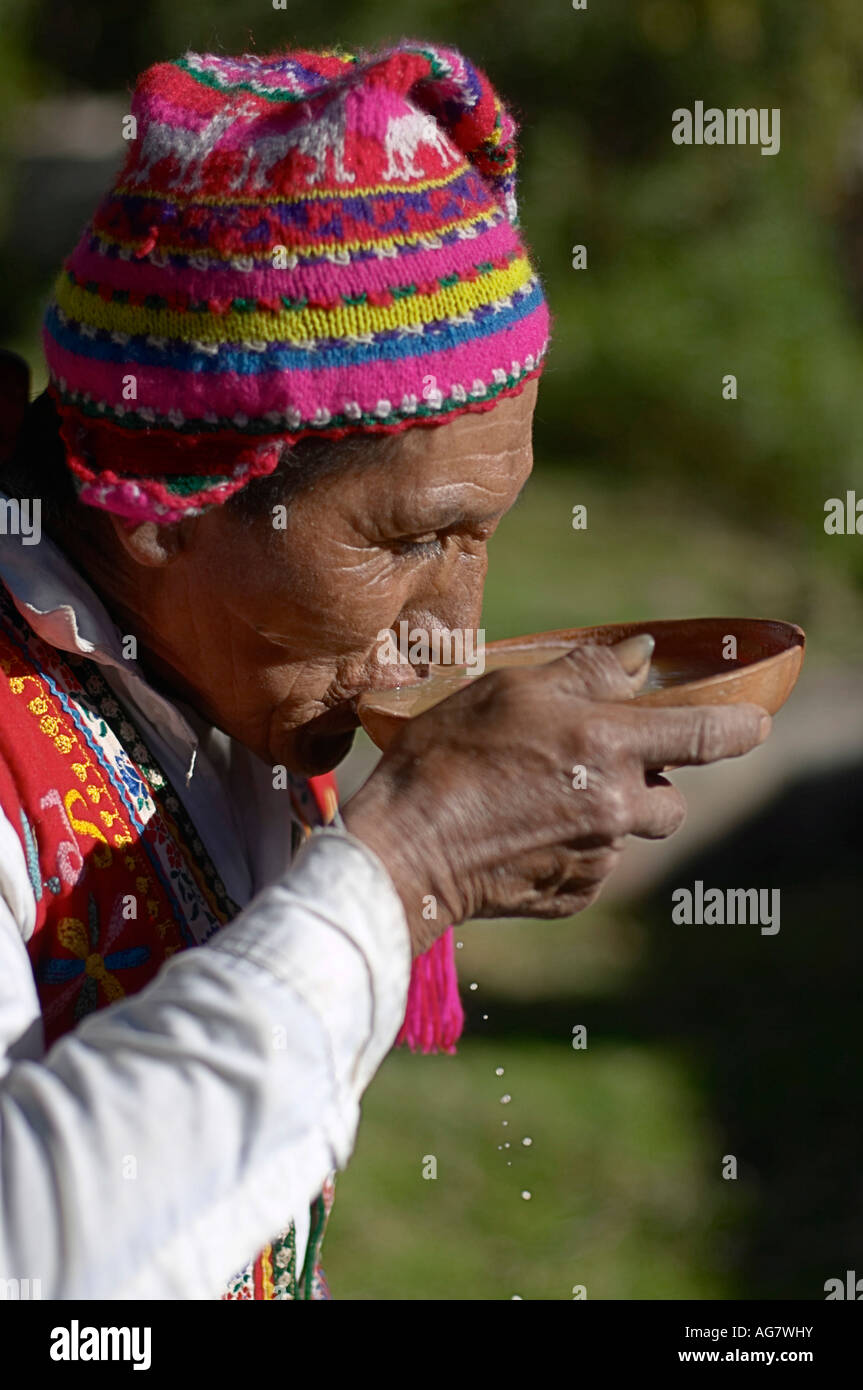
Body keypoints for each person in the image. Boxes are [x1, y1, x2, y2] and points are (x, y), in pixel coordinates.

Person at [0, 40, 770, 1301]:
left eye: (482, 534)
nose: (451, 636)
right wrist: (399, 872)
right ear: (163, 502)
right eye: (408, 540)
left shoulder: (220, 690)